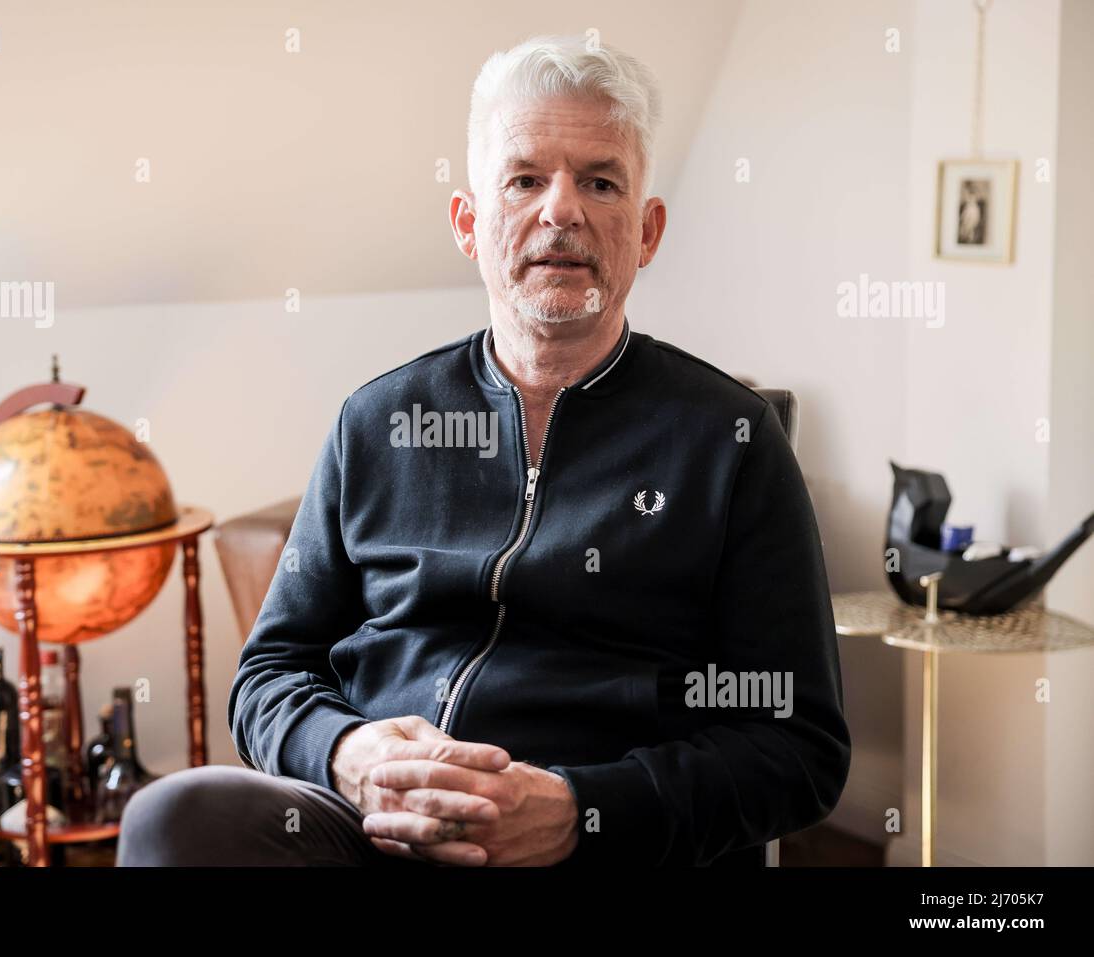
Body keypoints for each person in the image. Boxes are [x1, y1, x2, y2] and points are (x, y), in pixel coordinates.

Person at [118, 33, 850, 868]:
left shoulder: (732, 440)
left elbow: (800, 747)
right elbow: (268, 674)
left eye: (600, 181)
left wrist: (581, 810)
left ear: (646, 232)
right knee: (174, 816)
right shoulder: (376, 421)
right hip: (373, 829)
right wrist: (346, 755)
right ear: (469, 223)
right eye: (526, 179)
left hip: (596, 845)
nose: (561, 210)